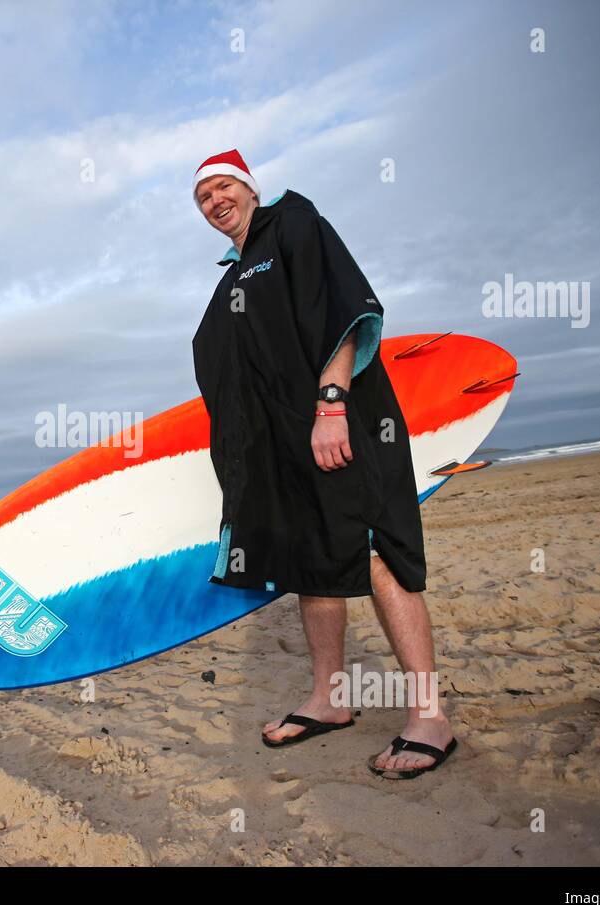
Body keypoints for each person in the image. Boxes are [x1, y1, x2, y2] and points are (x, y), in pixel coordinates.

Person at [190, 149, 455, 779]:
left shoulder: (293, 223)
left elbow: (343, 309)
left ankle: (429, 718)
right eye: (201, 197)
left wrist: (331, 404)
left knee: (379, 546)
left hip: (339, 425)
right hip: (284, 447)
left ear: (251, 189)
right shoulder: (230, 278)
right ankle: (330, 699)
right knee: (313, 559)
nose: (214, 201)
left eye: (223, 187)